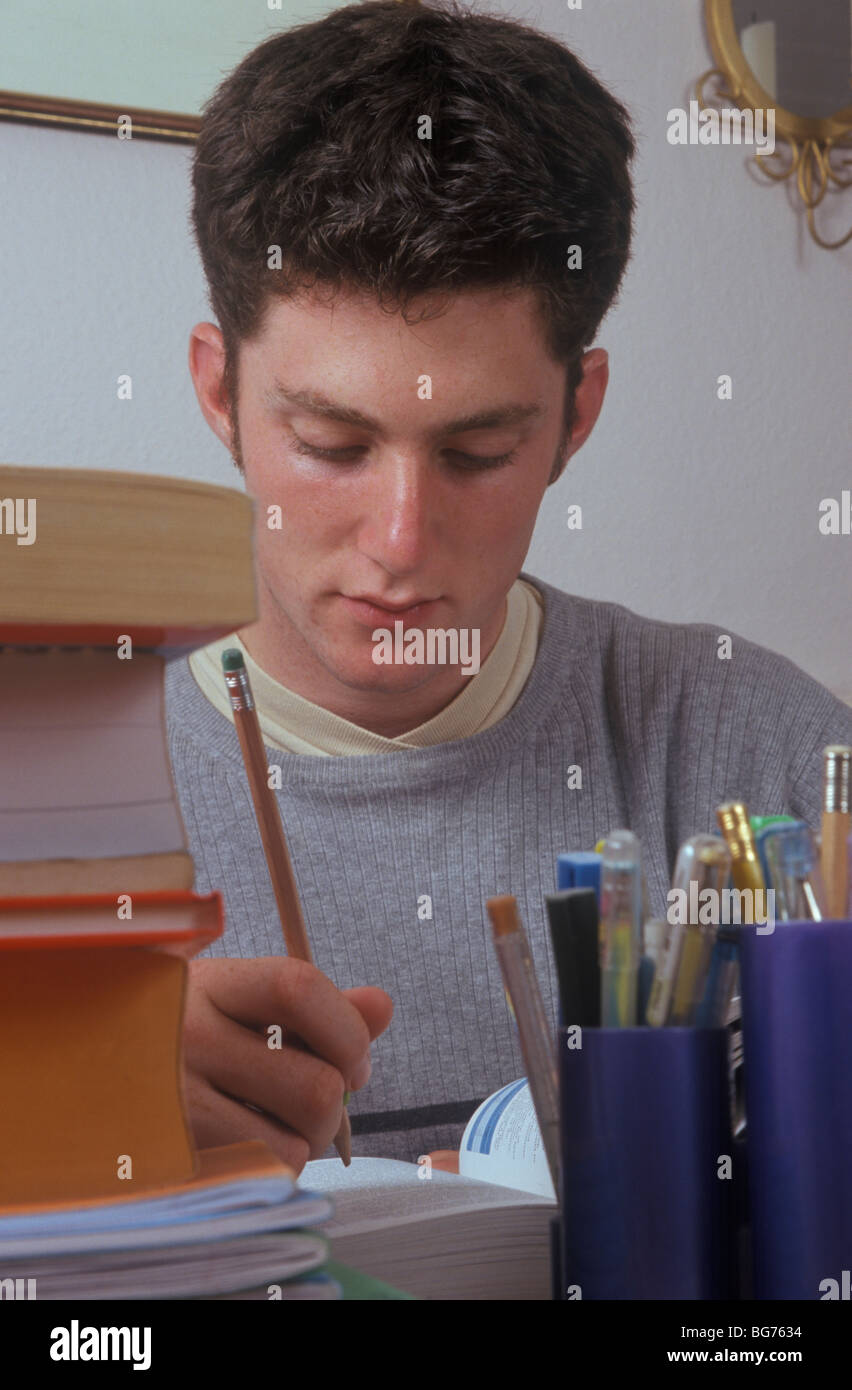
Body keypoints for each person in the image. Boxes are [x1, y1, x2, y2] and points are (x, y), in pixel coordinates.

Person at [166, 0, 852, 1172]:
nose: (399, 538)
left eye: (478, 453)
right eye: (331, 444)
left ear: (576, 415)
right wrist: (74, 1106)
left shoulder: (761, 755)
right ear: (221, 393)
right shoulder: (55, 793)